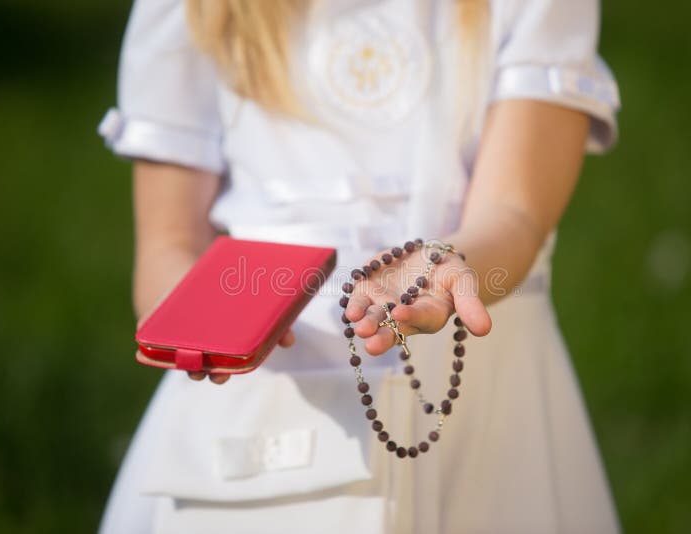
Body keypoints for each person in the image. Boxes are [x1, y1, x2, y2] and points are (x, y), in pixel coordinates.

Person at [97, 0, 622, 532]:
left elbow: (515, 213)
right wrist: (208, 325)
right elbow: (168, 245)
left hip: (484, 422)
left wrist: (450, 265)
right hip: (260, 430)